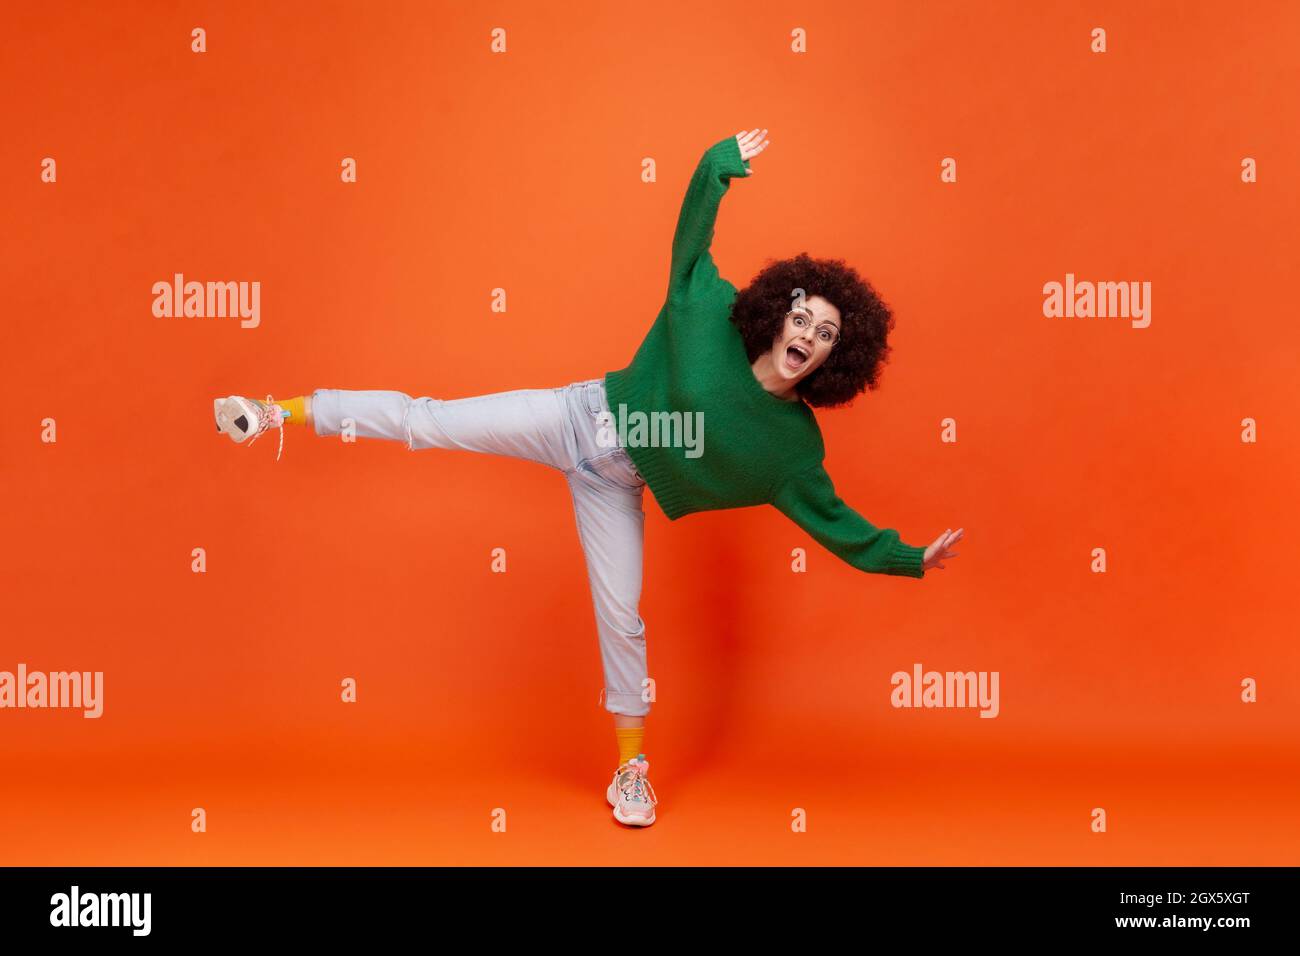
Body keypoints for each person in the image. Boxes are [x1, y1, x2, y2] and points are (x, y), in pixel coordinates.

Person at [212, 127, 965, 828]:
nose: (810, 335)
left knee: (622, 616)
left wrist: (909, 558)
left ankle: (630, 771)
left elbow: (833, 521)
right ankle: (275, 412)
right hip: (573, 417)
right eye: (806, 318)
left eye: (829, 334)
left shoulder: (791, 450)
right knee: (427, 420)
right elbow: (692, 238)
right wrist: (718, 165)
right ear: (782, 315)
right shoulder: (710, 313)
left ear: (840, 356)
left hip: (614, 485)